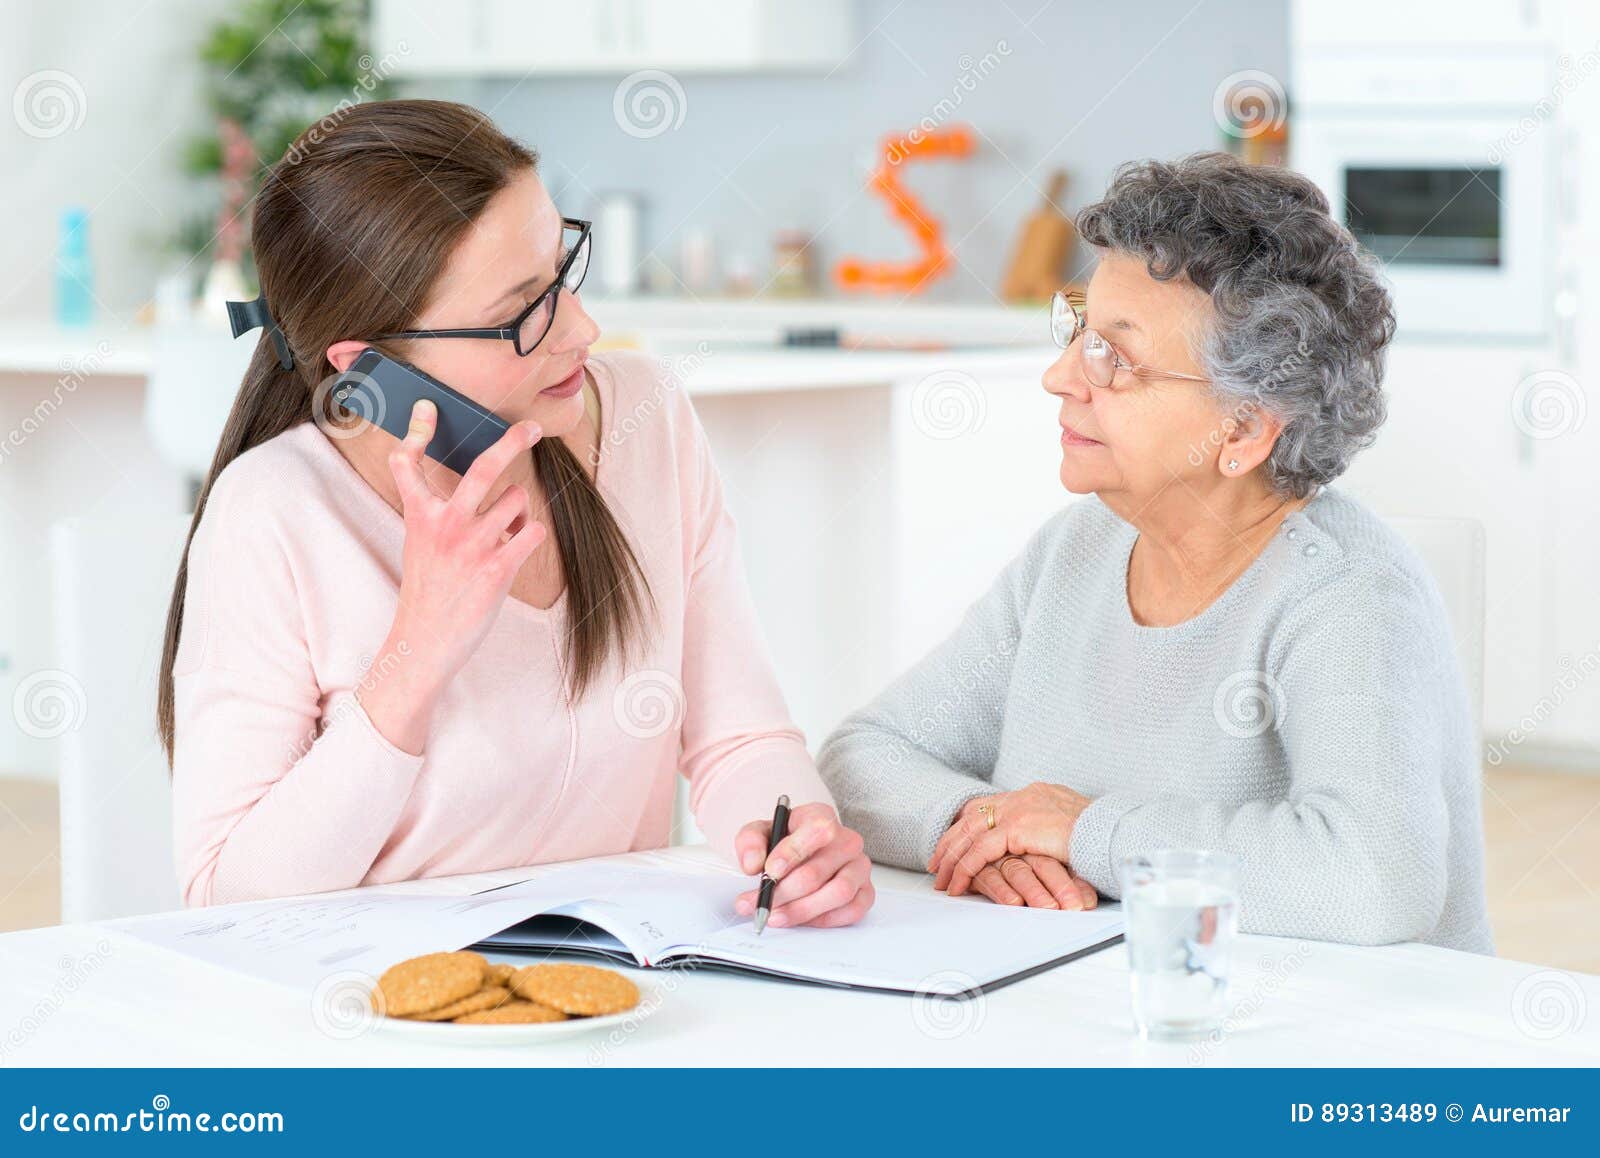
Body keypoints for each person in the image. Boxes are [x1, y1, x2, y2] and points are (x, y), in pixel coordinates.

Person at [162, 100, 872, 932]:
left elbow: (740, 741)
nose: (583, 327)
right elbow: (226, 902)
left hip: (610, 1005)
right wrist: (415, 658)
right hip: (372, 1020)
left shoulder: (647, 421)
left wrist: (794, 841)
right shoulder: (275, 512)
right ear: (370, 369)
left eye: (563, 274)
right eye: (524, 311)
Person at [818, 152, 1491, 953]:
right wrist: (980, 828)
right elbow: (862, 757)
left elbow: (1375, 882)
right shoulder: (1075, 553)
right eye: (1078, 331)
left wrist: (1087, 832)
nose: (1060, 377)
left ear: (1243, 429)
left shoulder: (1351, 595)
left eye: (1115, 356)